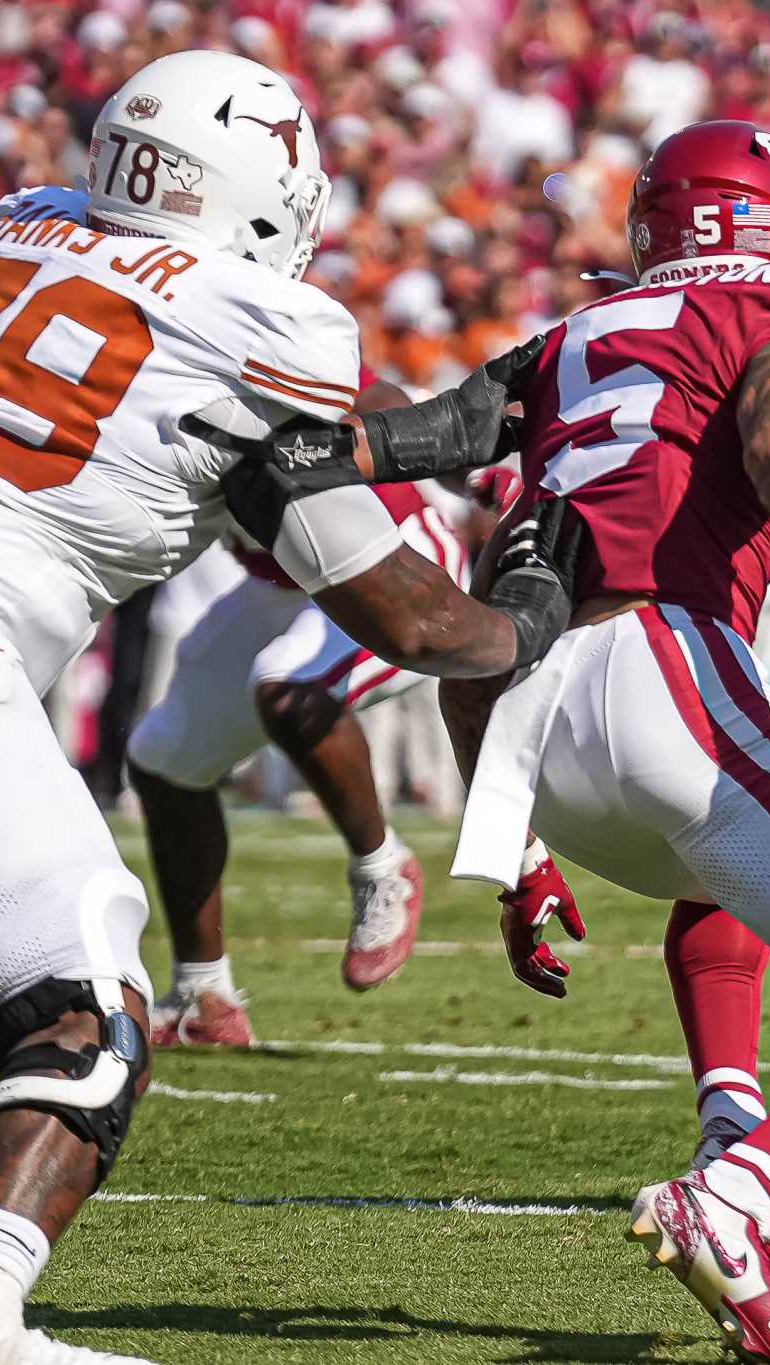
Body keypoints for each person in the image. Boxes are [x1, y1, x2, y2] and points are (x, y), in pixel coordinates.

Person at [264, 121, 770, 1365]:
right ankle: (740, 1195)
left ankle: (729, 1128)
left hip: (530, 710)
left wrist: (522, 833)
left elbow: (452, 512)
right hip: (661, 666)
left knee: (722, 871)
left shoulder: (571, 344)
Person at [0, 52, 574, 1364]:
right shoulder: (261, 320)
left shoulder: (30, 228)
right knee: (78, 1009)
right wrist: (526, 612)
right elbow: (403, 617)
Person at [124, 375, 477, 1046]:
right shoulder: (131, 374)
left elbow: (380, 400)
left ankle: (383, 868)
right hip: (281, 581)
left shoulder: (242, 334)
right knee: (164, 759)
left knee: (284, 685)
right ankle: (204, 993)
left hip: (389, 559)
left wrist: (400, 449)